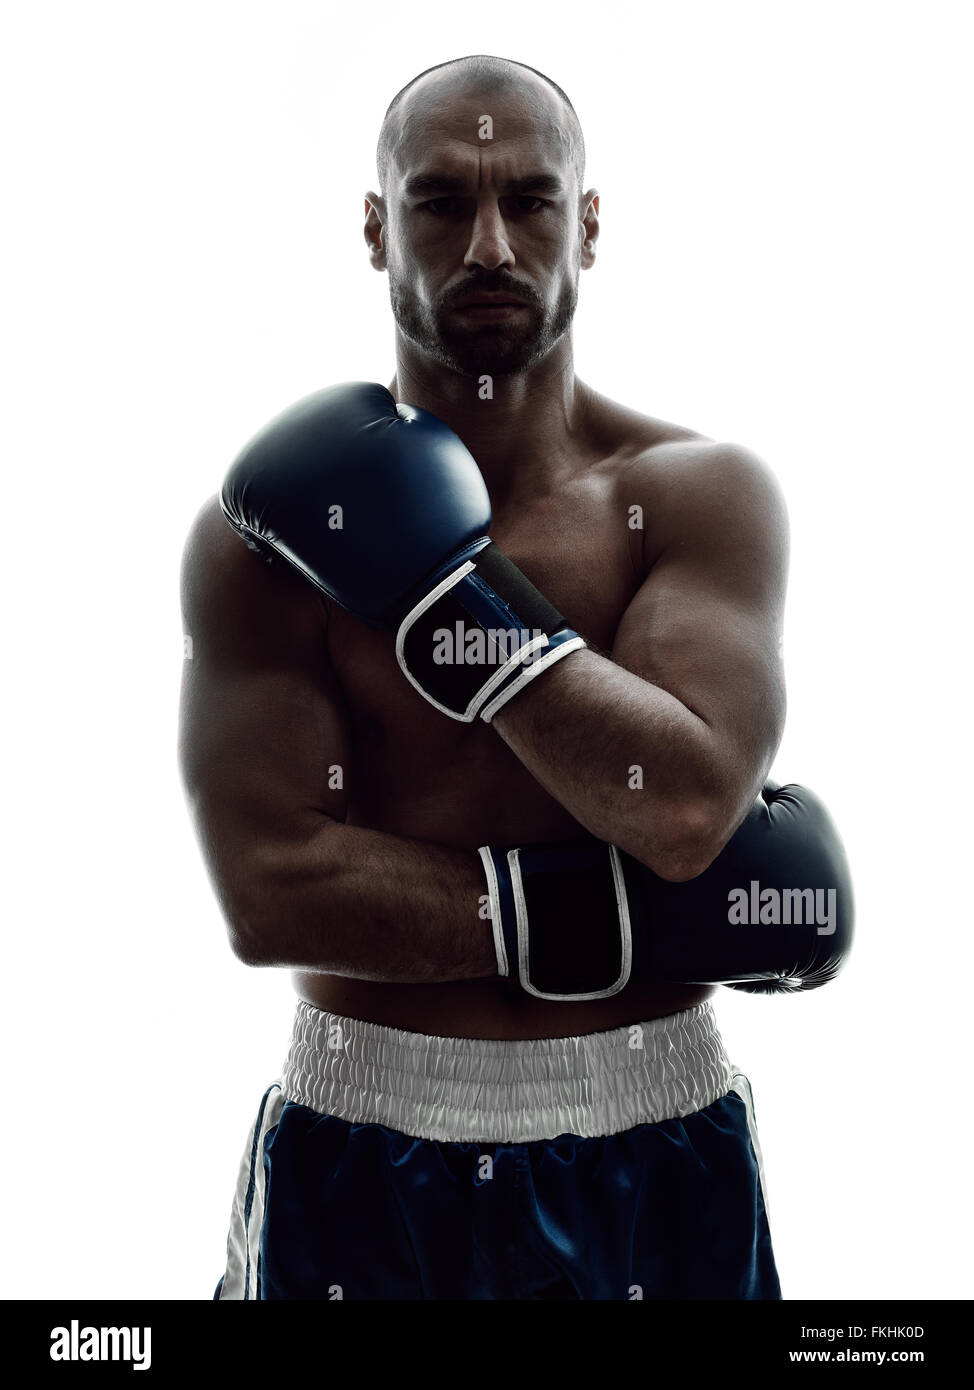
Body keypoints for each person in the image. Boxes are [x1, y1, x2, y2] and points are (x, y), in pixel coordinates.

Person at [178, 54, 852, 1301]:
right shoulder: (261, 541)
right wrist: (654, 914)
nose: (488, 242)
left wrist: (444, 596)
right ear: (376, 229)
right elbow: (272, 896)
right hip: (361, 1132)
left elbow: (684, 805)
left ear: (587, 226)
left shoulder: (694, 497)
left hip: (654, 1122)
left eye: (530, 201)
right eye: (439, 203)